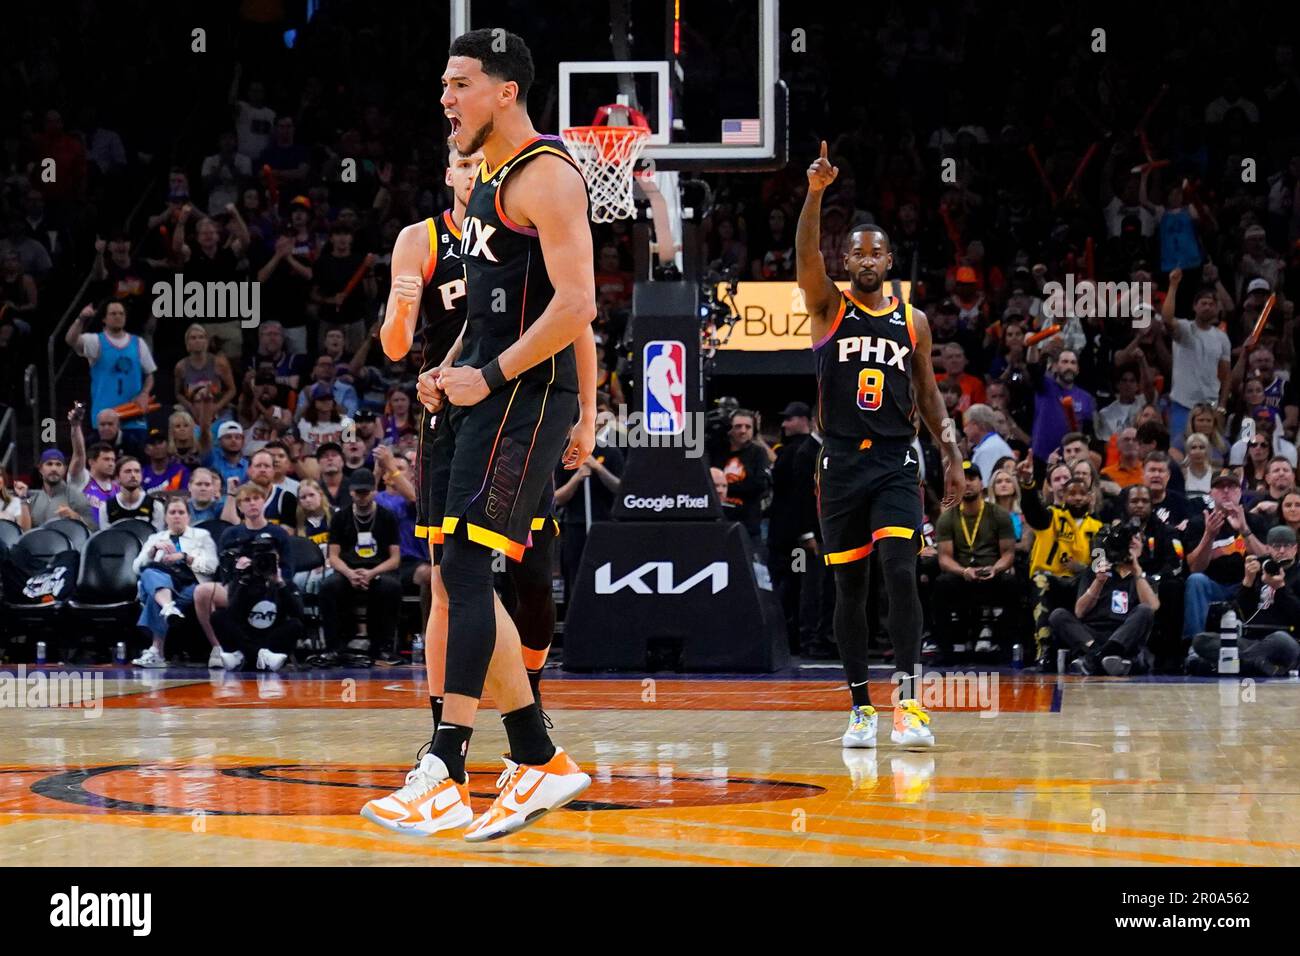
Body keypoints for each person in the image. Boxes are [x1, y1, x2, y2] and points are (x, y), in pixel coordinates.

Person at [364, 31, 595, 840]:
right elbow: (496, 312)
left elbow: (576, 307)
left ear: (505, 91)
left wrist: (488, 378)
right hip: (484, 395)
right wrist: (450, 365)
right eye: (442, 82)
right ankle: (536, 759)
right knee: (458, 570)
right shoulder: (488, 185)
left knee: (464, 565)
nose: (445, 97)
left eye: (459, 83)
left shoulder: (549, 174)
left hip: (529, 396)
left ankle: (446, 767)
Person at [795, 140, 962, 751]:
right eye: (856, 252)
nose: (866, 260)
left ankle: (910, 704)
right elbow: (804, 253)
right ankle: (861, 707)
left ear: (890, 259)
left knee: (900, 570)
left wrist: (952, 454)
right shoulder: (827, 307)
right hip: (839, 462)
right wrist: (815, 194)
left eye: (876, 252)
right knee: (850, 587)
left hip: (896, 461)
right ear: (846, 259)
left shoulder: (912, 320)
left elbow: (931, 394)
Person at [193, 482, 295, 669]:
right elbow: (224, 572)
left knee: (291, 607)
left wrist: (276, 576)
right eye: (246, 500)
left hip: (269, 588)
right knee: (202, 591)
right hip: (239, 588)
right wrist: (238, 569)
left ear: (263, 501)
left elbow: (289, 569)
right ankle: (220, 648)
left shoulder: (278, 533)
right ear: (239, 507)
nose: (252, 503)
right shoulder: (230, 534)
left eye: (256, 498)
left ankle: (242, 653)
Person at [1017, 458, 1105, 666]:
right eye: (1072, 494)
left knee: (1098, 583)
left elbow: (1100, 564)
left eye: (1081, 494)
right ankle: (1044, 647)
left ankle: (1086, 648)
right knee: (1040, 580)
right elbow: (1032, 512)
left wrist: (1082, 569)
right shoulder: (1051, 516)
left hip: (1081, 582)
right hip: (1052, 579)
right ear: (1063, 496)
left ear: (1090, 497)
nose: (1076, 498)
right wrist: (1028, 484)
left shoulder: (1099, 527)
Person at [1187, 525, 1300, 676]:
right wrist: (1248, 581)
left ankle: (1227, 665)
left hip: (1284, 640)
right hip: (1252, 641)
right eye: (1276, 546)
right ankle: (1255, 664)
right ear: (1268, 548)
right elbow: (1240, 615)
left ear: (1295, 548)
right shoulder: (1259, 569)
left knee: (1282, 640)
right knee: (1201, 640)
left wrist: (1280, 588)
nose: (1281, 551)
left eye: (1287, 546)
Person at [931, 463, 1017, 659]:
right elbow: (944, 558)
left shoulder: (999, 515)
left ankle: (1007, 648)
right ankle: (945, 651)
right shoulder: (947, 518)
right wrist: (963, 571)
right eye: (962, 479)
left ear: (982, 484)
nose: (967, 483)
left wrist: (996, 569)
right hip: (961, 575)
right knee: (941, 585)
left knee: (1011, 584)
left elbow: (1008, 553)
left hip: (991, 573)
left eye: (972, 478)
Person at [1049, 523, 1159, 675]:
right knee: (1058, 615)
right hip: (1091, 634)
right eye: (1128, 540)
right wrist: (1099, 581)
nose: (1132, 542)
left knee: (1145, 610)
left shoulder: (1145, 578)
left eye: (1137, 539)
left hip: (1122, 636)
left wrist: (1136, 571)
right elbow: (1080, 612)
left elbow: (1152, 607)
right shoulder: (1094, 571)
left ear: (1142, 548)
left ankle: (1094, 659)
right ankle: (1104, 657)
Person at [130, 498, 219, 668]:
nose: (177, 516)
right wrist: (153, 551)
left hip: (190, 584)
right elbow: (136, 568)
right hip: (163, 579)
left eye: (181, 512)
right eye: (172, 512)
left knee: (154, 596)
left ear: (188, 517)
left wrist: (185, 557)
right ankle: (168, 607)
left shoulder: (202, 536)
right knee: (150, 573)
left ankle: (157, 651)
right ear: (165, 517)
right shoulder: (156, 537)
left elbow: (212, 567)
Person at [1183, 469, 1270, 637]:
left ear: (1240, 491)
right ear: (1211, 493)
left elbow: (1266, 558)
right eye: (1220, 486)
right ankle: (1194, 645)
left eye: (1231, 486)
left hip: (1247, 586)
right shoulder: (1199, 523)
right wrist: (1208, 536)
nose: (1226, 491)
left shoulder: (1255, 521)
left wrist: (1244, 530)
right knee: (1196, 580)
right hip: (1213, 586)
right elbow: (1195, 568)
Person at [65, 301, 155, 445]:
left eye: (121, 313)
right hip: (104, 420)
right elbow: (71, 340)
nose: (118, 317)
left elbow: (149, 375)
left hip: (134, 417)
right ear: (104, 319)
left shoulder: (138, 343)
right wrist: (81, 319)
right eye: (113, 314)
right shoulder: (96, 341)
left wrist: (144, 393)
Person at [1161, 268, 1231, 438]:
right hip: (1182, 404)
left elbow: (1225, 375)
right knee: (1178, 450)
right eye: (1203, 303)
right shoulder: (1185, 328)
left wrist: (1222, 406)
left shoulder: (1222, 338)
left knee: (1212, 452)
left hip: (1210, 407)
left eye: (1211, 304)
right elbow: (1167, 319)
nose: (1207, 307)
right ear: (1194, 306)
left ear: (1217, 308)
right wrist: (1173, 286)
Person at [712, 409, 770, 540]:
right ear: (729, 429)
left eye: (748, 427)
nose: (743, 430)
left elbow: (760, 485)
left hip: (748, 525)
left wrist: (725, 487)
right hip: (718, 522)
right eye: (738, 426)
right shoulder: (716, 451)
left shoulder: (758, 453)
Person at [26, 449, 95, 526]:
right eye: (49, 464)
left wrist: (76, 517)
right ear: (40, 469)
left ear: (64, 469)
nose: (54, 469)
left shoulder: (76, 496)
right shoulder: (34, 499)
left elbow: (93, 527)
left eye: (58, 464)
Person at [97, 457, 165, 529]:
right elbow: (106, 538)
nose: (133, 475)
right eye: (128, 471)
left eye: (137, 471)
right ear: (117, 478)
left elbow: (158, 537)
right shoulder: (106, 508)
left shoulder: (155, 506)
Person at [963, 403, 1014, 483]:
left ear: (975, 424)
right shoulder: (993, 444)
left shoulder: (989, 449)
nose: (964, 430)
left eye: (966, 425)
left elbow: (985, 485)